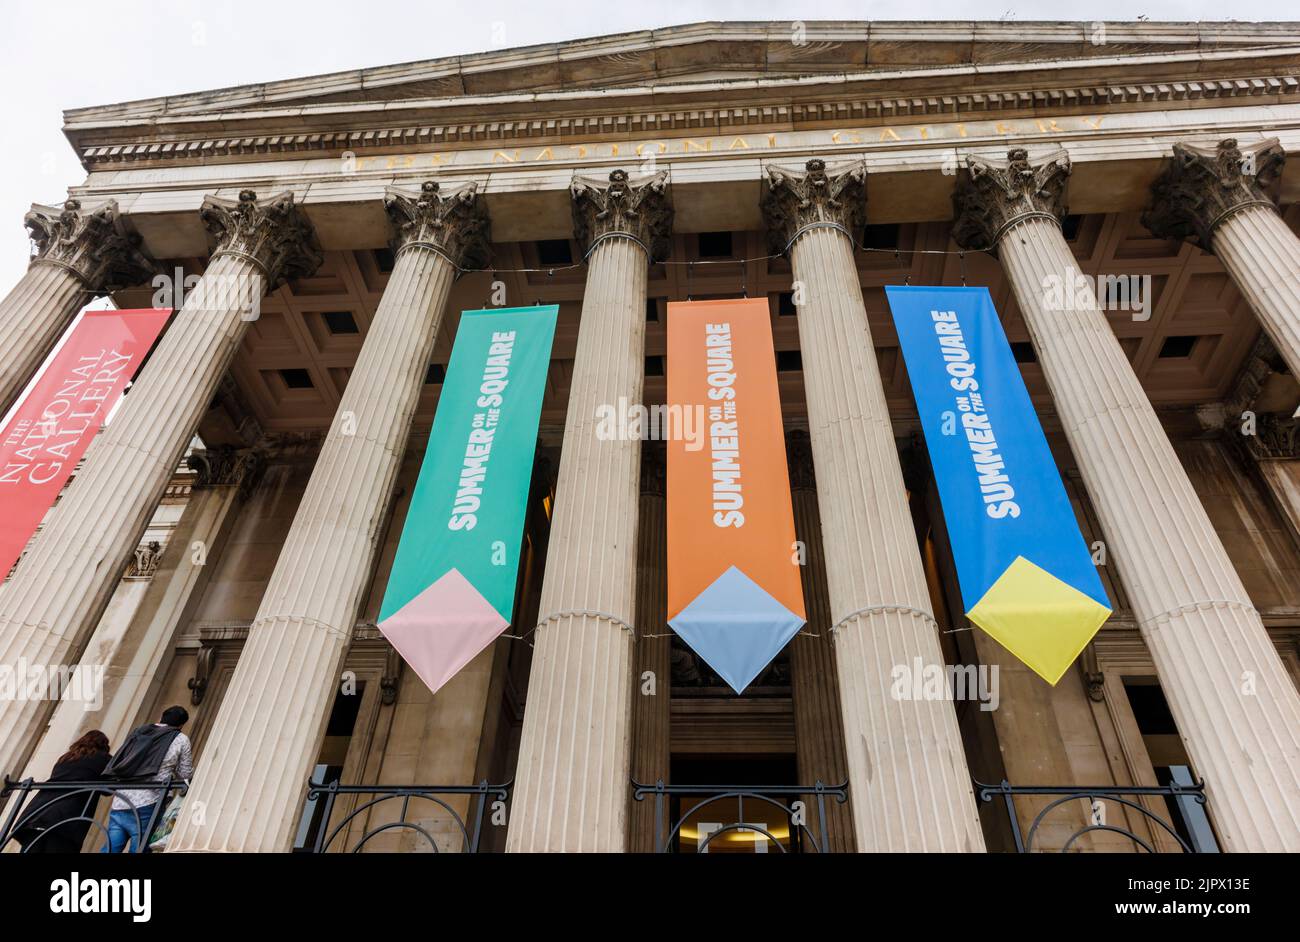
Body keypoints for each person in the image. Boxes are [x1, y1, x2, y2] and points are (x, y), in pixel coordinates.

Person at [100, 706, 193, 853]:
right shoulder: (180, 739)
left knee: (110, 849)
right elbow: (186, 773)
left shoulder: (139, 731)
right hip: (149, 802)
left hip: (121, 800)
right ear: (181, 725)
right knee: (139, 849)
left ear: (161, 717)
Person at [13, 730, 112, 853]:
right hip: (67, 819)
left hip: (38, 812)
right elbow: (109, 790)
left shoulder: (66, 757)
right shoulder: (103, 759)